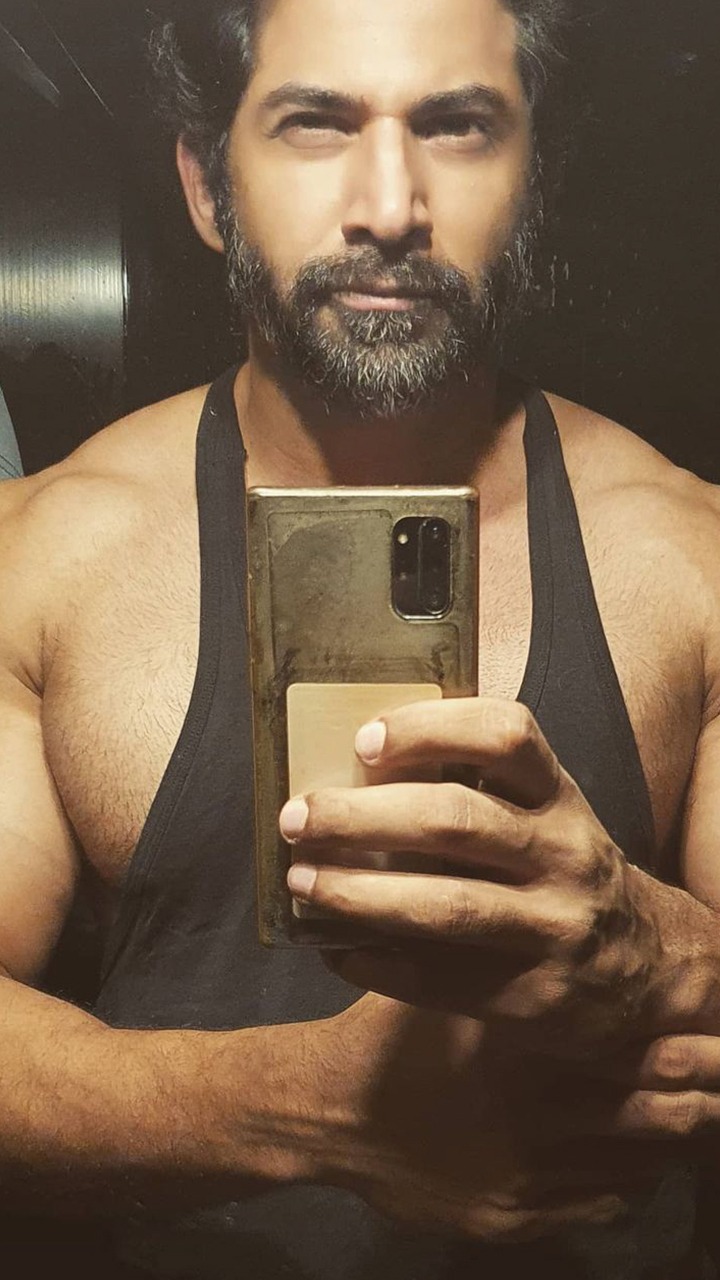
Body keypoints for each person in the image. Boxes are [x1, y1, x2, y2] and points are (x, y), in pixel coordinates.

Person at [1, 0, 719, 1276]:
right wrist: (316, 1114)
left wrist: (666, 950)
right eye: (316, 123)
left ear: (531, 179)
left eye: (457, 125)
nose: (391, 204)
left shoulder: (690, 549)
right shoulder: (50, 550)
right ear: (208, 188)